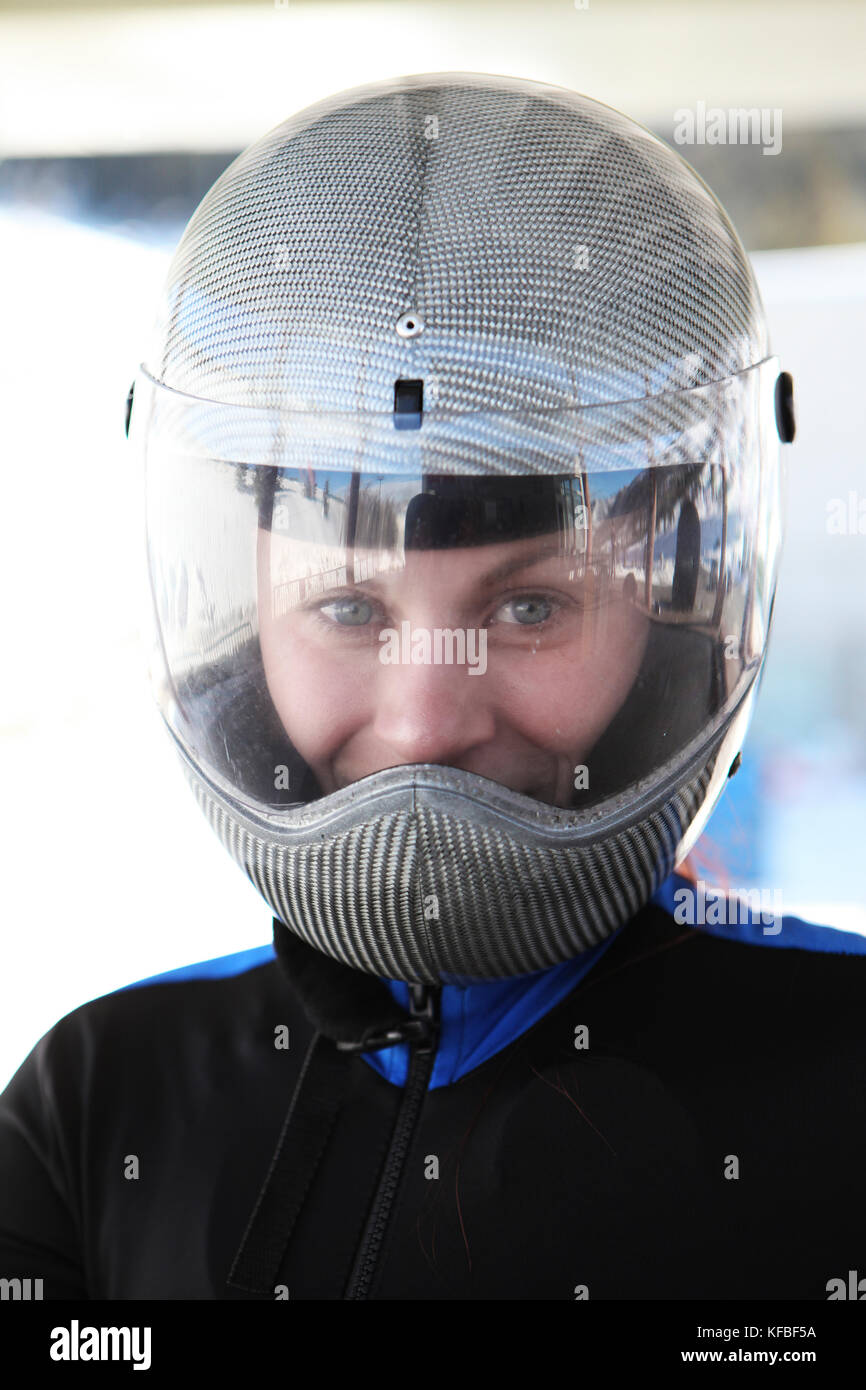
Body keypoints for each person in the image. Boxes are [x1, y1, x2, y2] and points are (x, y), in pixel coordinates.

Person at [2, 71, 865, 1303]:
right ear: (247, 637)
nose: (422, 725)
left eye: (529, 607)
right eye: (347, 609)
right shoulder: (95, 1107)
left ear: (674, 621)